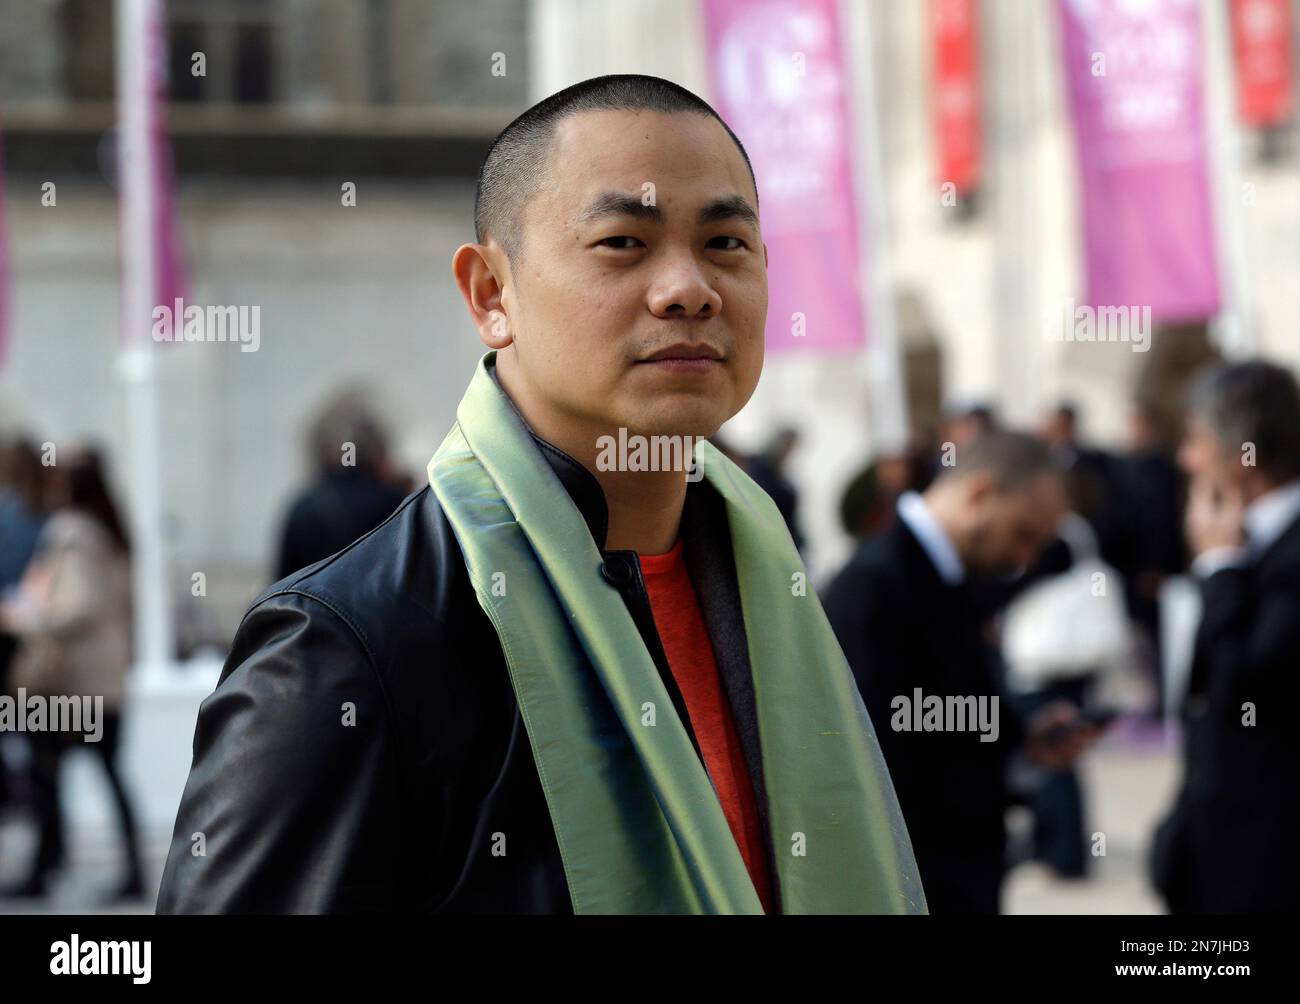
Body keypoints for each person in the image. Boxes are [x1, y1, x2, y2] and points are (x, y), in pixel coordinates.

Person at [156, 74, 925, 915]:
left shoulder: (766, 587)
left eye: (726, 246)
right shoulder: (351, 648)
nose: (689, 289)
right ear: (493, 295)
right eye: (624, 243)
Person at [822, 430, 1100, 913]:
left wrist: (1022, 740)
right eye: (1023, 534)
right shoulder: (875, 584)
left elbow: (949, 710)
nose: (1024, 558)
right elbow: (877, 767)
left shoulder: (948, 573)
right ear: (979, 494)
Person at [1151, 360, 1300, 914]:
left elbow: (1250, 687)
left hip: (1270, 862)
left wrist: (1221, 571)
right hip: (1215, 851)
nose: (1187, 460)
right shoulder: (1246, 541)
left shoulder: (1268, 554)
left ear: (1243, 452)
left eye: (1196, 440)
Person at [0, 447, 143, 903]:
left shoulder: (73, 534)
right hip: (106, 680)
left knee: (48, 772)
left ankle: (45, 868)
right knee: (103, 773)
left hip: (74, 683)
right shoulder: (112, 531)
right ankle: (120, 867)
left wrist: (29, 618)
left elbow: (77, 606)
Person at [273, 392, 409, 580]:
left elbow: (281, 583)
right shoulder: (394, 502)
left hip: (317, 607)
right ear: (374, 452)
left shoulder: (303, 507)